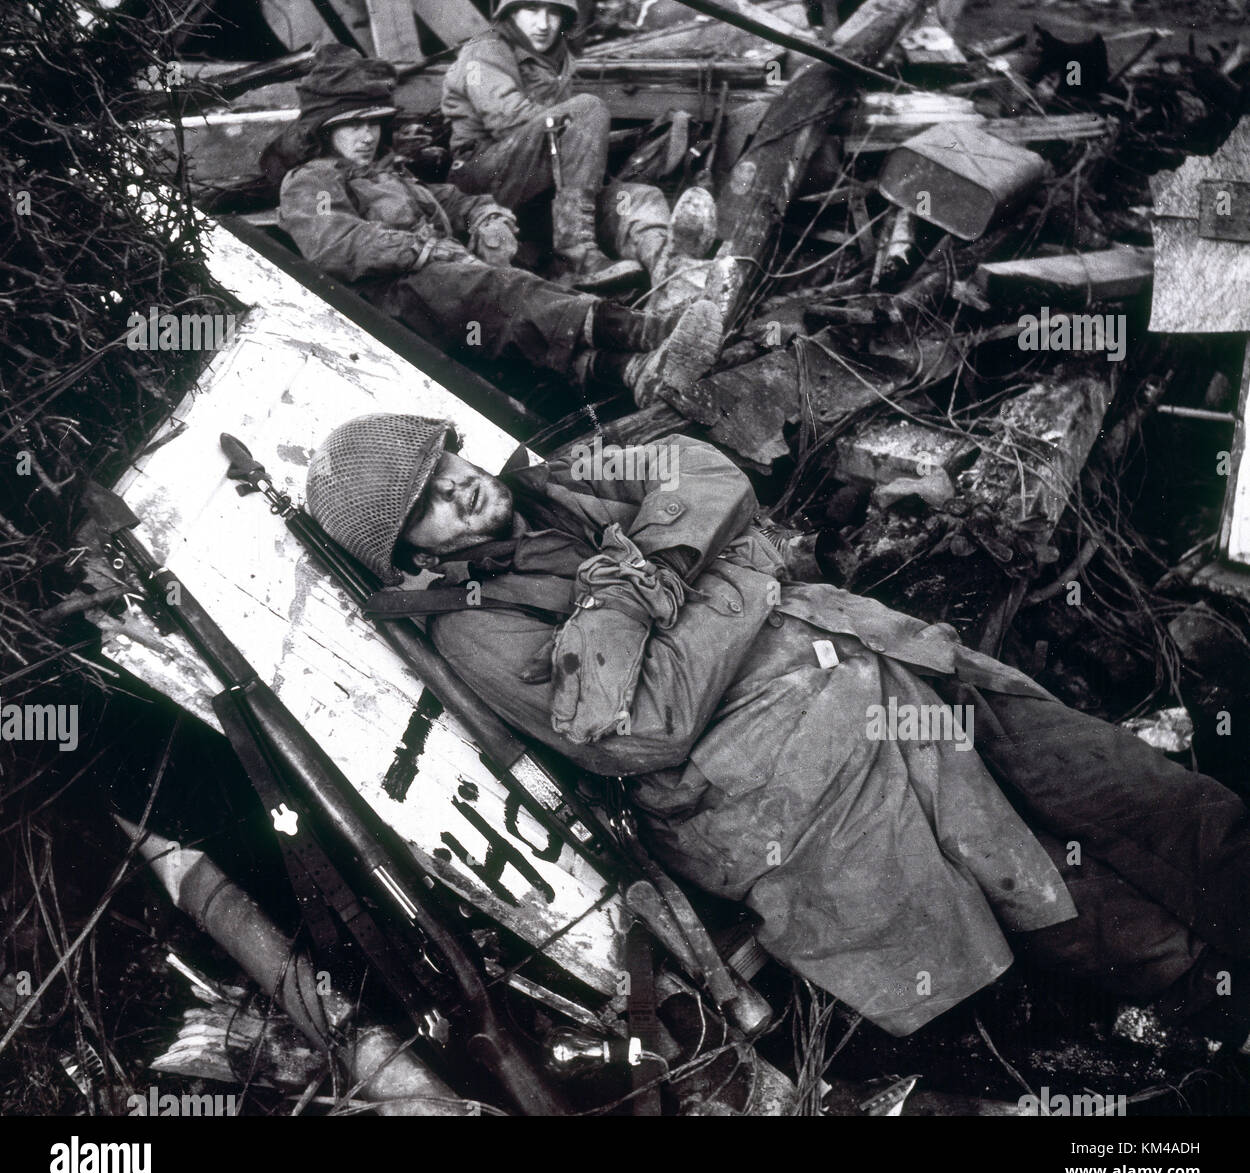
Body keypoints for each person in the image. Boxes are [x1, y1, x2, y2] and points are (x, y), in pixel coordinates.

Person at [304, 415, 1250, 1049]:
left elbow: (703, 469)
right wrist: (735, 574)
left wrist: (647, 582)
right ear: (414, 552)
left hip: (883, 657)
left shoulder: (557, 482)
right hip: (800, 771)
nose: (461, 488)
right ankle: (1214, 1018)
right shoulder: (473, 627)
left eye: (448, 462)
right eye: (429, 498)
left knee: (1140, 790)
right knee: (1073, 899)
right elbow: (643, 729)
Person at [267, 44, 725, 407]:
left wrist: (486, 215)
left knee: (513, 316)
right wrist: (422, 250)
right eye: (353, 125)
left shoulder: (387, 172)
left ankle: (639, 374)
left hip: (441, 290)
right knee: (507, 292)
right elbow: (337, 244)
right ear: (324, 129)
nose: (366, 136)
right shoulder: (310, 181)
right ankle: (648, 331)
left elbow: (452, 198)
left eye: (374, 123)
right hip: (392, 306)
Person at [442, 0, 718, 288]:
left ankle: (670, 272)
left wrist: (593, 139)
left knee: (643, 198)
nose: (543, 23)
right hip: (481, 182)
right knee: (589, 109)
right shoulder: (485, 53)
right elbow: (508, 121)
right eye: (531, 9)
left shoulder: (558, 61)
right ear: (511, 12)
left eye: (553, 12)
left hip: (542, 202)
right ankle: (576, 256)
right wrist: (585, 126)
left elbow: (559, 140)